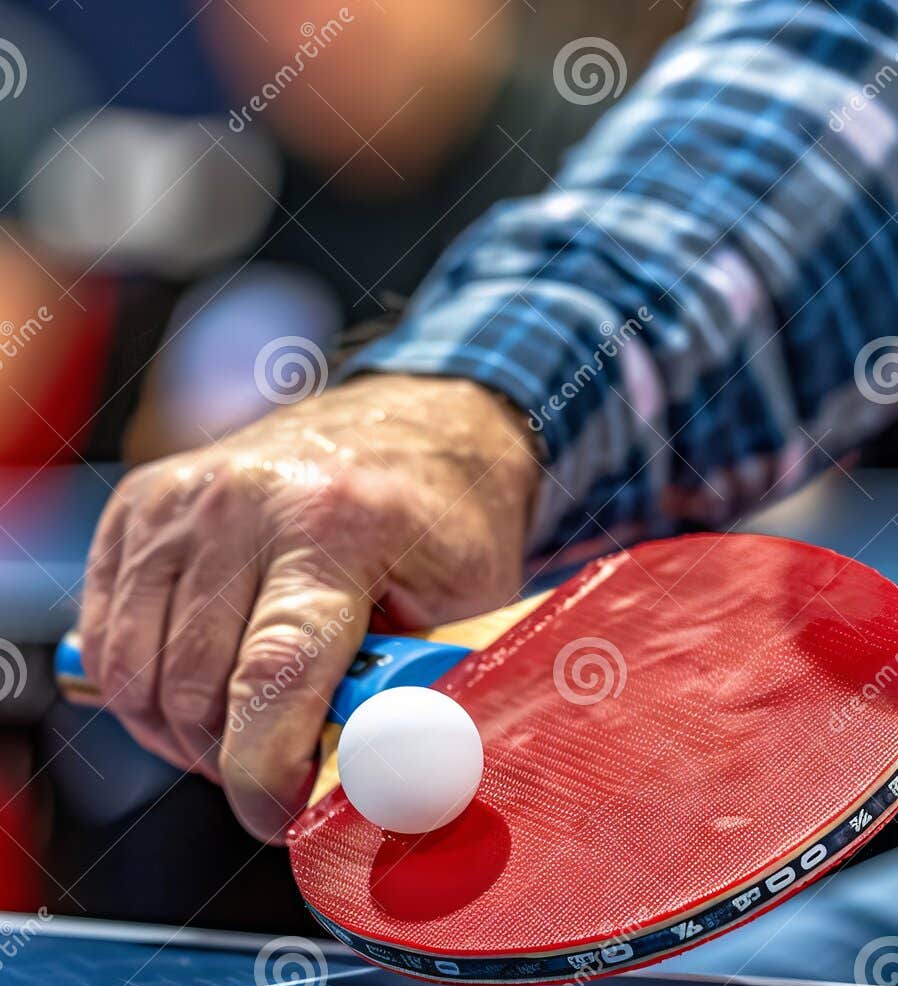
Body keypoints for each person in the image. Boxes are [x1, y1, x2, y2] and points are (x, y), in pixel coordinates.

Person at [78, 0, 898, 844]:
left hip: (675, 752)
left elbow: (811, 137)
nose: (306, 29)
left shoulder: (578, 135)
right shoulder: (231, 196)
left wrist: (447, 437)